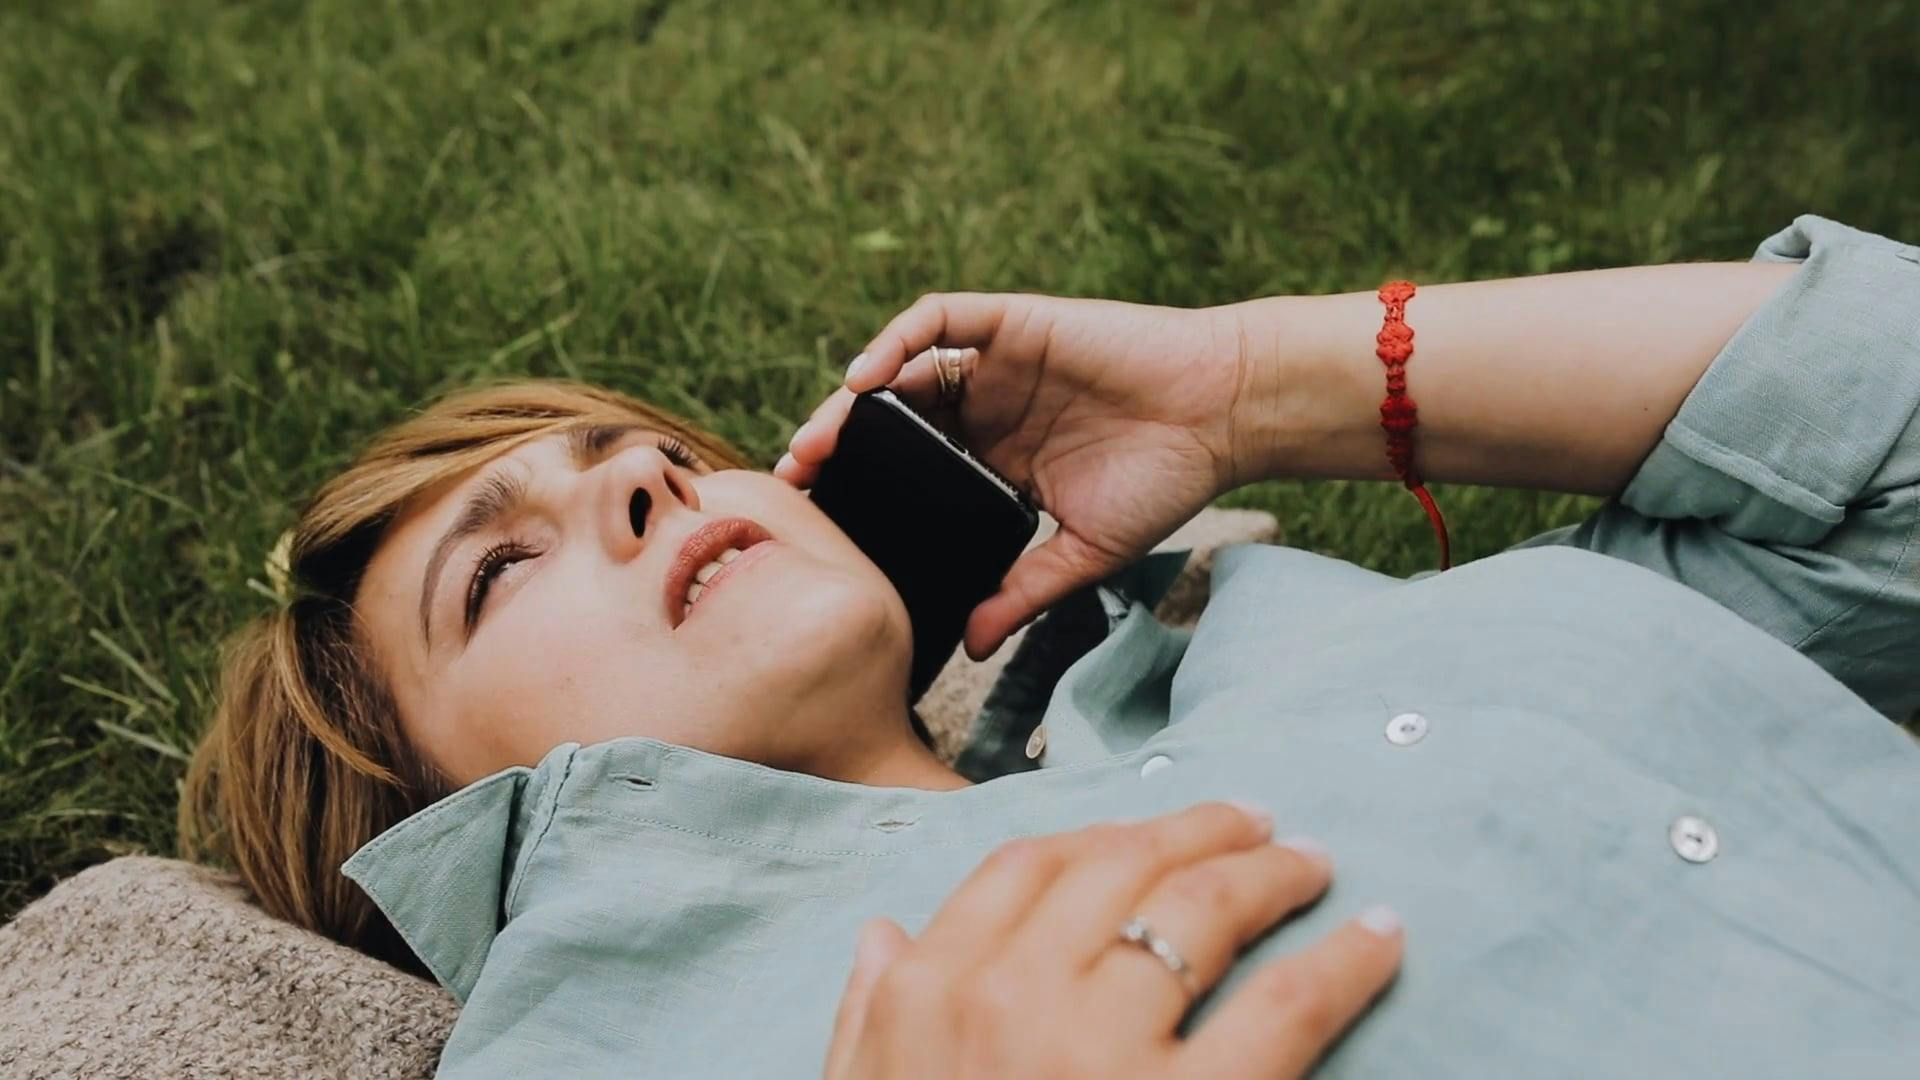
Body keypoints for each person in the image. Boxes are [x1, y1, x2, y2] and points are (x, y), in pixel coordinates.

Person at [182, 216, 1920, 1078]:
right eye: (494, 577)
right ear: (414, 827)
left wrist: (1254, 386)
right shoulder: (606, 1038)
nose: (646, 481)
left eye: (647, 457)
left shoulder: (1241, 637)